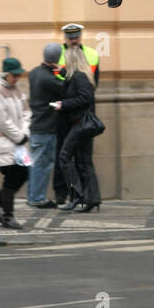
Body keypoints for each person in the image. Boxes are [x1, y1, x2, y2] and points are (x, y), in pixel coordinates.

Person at [0, 56, 31, 230]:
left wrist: (24, 131)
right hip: (3, 142)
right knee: (11, 177)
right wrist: (19, 136)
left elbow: (26, 112)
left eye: (18, 75)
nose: (17, 78)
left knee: (23, 174)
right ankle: (8, 215)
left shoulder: (16, 89)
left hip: (18, 143)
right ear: (5, 73)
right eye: (14, 75)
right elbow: (0, 119)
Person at [54, 22, 100, 204]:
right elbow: (61, 82)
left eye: (76, 36)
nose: (73, 40)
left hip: (79, 116)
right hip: (65, 116)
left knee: (75, 158)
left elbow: (88, 90)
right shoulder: (57, 53)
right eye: (70, 37)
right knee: (67, 157)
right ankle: (68, 195)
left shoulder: (91, 54)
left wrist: (65, 103)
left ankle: (81, 196)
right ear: (65, 38)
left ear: (80, 36)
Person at [26, 42, 65, 208]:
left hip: (36, 125)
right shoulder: (49, 78)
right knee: (44, 163)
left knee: (35, 163)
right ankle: (37, 198)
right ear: (57, 57)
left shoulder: (34, 73)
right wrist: (64, 73)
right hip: (46, 126)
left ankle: (33, 195)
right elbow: (65, 89)